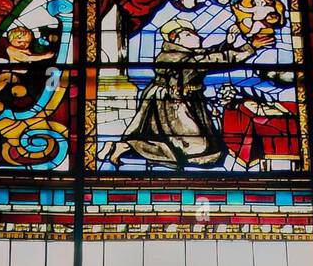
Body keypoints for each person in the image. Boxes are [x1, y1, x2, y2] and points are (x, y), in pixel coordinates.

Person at [108, 17, 257, 168]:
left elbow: (205, 54)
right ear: (176, 39)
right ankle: (128, 146)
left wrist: (228, 43)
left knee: (207, 149)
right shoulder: (176, 57)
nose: (197, 37)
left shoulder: (180, 53)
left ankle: (124, 146)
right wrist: (250, 47)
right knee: (195, 150)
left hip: (185, 100)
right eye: (189, 35)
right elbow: (212, 60)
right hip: (174, 105)